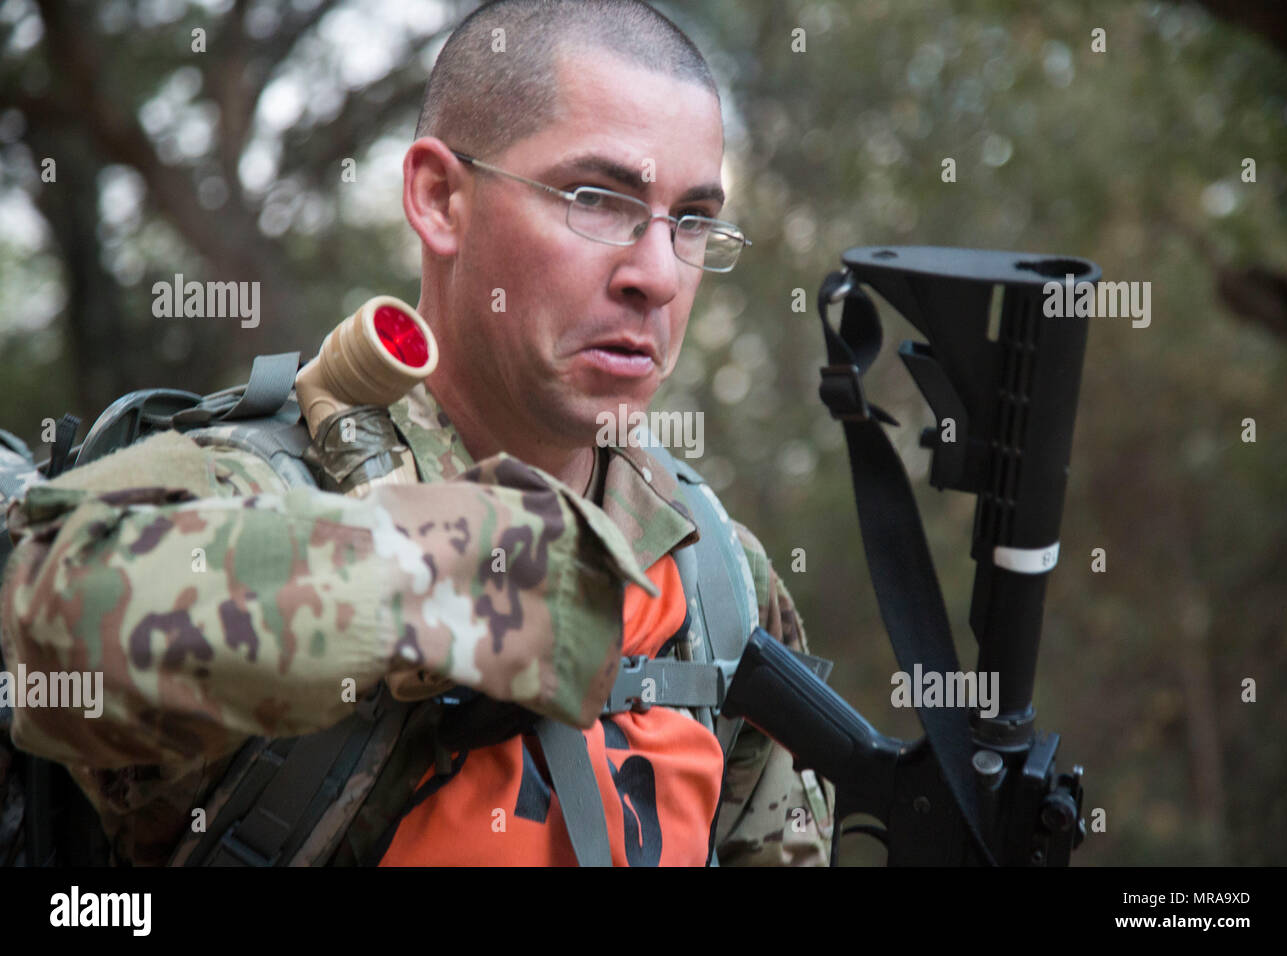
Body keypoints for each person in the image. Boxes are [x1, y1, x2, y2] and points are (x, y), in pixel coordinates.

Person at [0, 0, 832, 866]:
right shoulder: (268, 490)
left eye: (691, 221)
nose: (658, 275)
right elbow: (51, 617)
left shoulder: (717, 578)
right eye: (597, 199)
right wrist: (455, 570)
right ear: (440, 199)